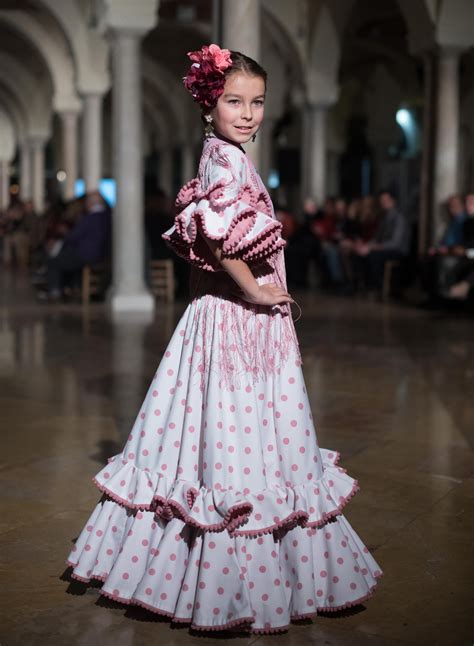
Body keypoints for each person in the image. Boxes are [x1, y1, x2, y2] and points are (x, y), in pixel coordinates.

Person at [66, 44, 382, 634]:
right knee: (241, 427)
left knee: (220, 426)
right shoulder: (225, 160)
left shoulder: (223, 154)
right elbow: (219, 239)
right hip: (234, 316)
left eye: (257, 101)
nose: (247, 112)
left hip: (224, 316)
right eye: (233, 100)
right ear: (208, 106)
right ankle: (237, 570)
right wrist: (256, 291)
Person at [40, 190, 111, 300]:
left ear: (90, 203)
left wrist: (64, 236)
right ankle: (71, 288)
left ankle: (55, 291)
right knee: (65, 257)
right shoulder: (107, 216)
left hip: (86, 255)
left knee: (53, 260)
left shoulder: (89, 218)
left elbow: (73, 237)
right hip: (102, 254)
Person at [354, 189, 408, 292]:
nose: (383, 202)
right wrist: (366, 246)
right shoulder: (384, 218)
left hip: (397, 251)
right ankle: (359, 285)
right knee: (359, 253)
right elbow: (376, 238)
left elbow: (395, 243)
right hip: (384, 248)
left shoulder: (399, 218)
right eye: (382, 200)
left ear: (393, 200)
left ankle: (377, 286)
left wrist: (371, 247)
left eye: (386, 199)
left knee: (374, 255)